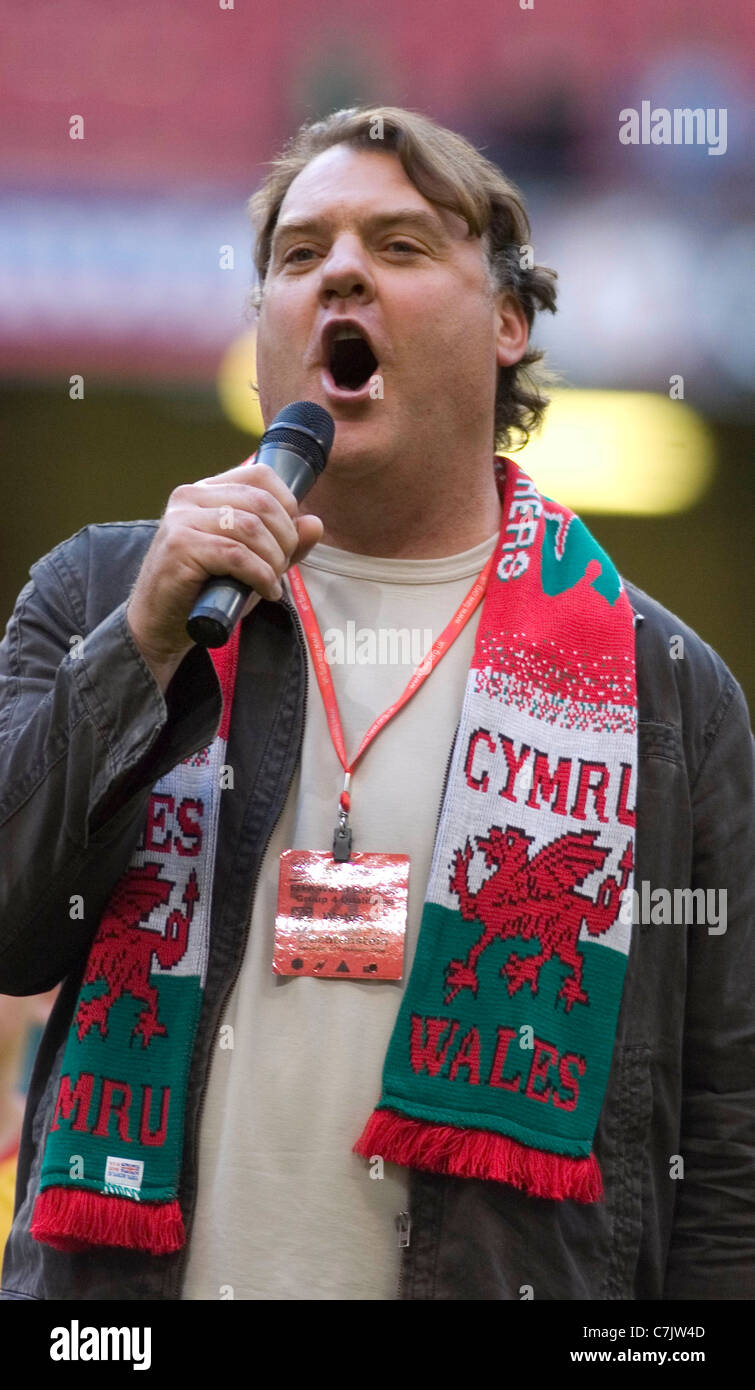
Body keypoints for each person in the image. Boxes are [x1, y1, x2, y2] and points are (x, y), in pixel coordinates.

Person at [1, 105, 753, 1303]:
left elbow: (722, 1143)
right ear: (261, 333)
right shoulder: (102, 593)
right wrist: (137, 643)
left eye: (399, 247)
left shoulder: (665, 688)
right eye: (299, 257)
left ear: (507, 322)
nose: (339, 271)